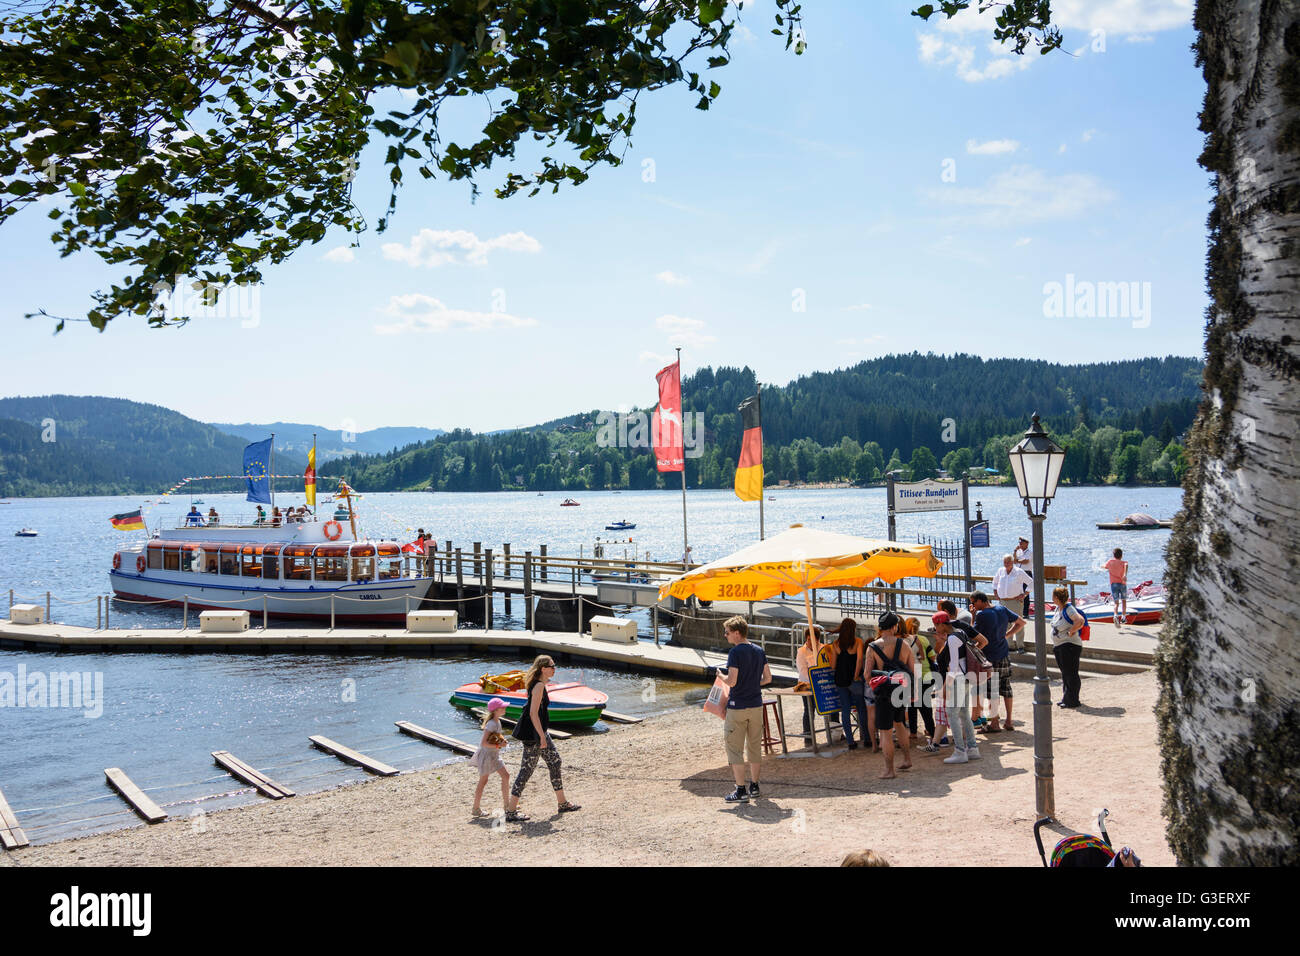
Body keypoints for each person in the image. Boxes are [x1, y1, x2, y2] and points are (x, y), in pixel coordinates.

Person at [505, 656, 580, 821]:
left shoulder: (540, 684)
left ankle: (562, 803)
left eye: (554, 666)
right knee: (526, 771)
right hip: (534, 734)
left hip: (539, 732)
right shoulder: (538, 686)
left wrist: (542, 734)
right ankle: (510, 811)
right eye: (552, 666)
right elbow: (533, 714)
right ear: (543, 668)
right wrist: (541, 736)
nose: (554, 669)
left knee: (555, 762)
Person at [716, 615, 772, 802]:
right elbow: (768, 678)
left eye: (727, 632)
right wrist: (754, 684)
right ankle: (754, 786)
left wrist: (721, 676)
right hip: (756, 704)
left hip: (738, 705)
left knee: (735, 749)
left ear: (737, 633)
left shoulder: (735, 653)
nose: (726, 636)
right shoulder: (758, 650)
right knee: (755, 747)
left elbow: (732, 681)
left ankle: (741, 790)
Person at [865, 611, 914, 779]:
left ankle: (889, 770)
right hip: (901, 690)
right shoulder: (905, 645)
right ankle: (907, 759)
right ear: (895, 627)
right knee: (900, 724)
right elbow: (913, 672)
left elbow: (866, 674)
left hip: (884, 693)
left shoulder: (872, 647)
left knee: (885, 732)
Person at [931, 611, 984, 764]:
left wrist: (946, 686)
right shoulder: (959, 633)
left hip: (957, 679)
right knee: (963, 713)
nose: (935, 629)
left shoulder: (953, 638)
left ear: (942, 624)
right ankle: (972, 748)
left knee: (952, 713)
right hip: (965, 678)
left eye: (936, 626)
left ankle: (960, 750)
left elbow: (953, 666)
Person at [969, 591, 1025, 732]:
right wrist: (1007, 635)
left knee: (992, 690)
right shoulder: (1001, 608)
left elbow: (972, 635)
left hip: (989, 657)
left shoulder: (982, 615)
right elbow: (1021, 622)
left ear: (981, 601)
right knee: (1006, 688)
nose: (973, 605)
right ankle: (1009, 721)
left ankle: (994, 723)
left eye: (974, 602)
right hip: (1003, 654)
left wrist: (973, 615)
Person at [826, 618, 869, 750]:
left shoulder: (835, 644)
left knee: (845, 710)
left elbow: (833, 666)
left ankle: (850, 742)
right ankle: (867, 739)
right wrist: (856, 675)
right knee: (862, 709)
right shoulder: (858, 642)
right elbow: (859, 660)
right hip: (854, 680)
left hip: (840, 680)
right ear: (853, 629)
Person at [470, 697, 512, 817]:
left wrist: (501, 742)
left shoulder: (497, 721)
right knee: (483, 781)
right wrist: (499, 745)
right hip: (487, 755)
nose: (505, 708)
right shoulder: (491, 723)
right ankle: (476, 808)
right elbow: (483, 743)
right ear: (496, 710)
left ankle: (507, 805)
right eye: (502, 707)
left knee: (506, 776)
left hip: (494, 754)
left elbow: (494, 738)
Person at [902, 617, 938, 752]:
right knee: (926, 706)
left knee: (911, 705)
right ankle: (931, 731)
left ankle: (912, 732)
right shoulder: (923, 639)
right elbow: (932, 657)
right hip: (926, 675)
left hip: (912, 676)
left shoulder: (904, 640)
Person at [1051, 586, 1087, 708]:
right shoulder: (1058, 609)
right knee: (1065, 673)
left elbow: (1080, 620)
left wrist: (1071, 631)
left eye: (1053, 596)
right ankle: (1066, 697)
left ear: (1056, 597)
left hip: (1070, 646)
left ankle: (1073, 700)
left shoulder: (1069, 609)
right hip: (1059, 645)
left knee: (1071, 673)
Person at [992, 554, 1033, 650]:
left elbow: (1031, 582)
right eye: (1005, 562)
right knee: (1005, 624)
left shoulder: (1019, 572)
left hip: (1015, 601)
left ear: (1013, 562)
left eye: (1008, 562)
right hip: (1003, 602)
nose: (1006, 564)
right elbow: (995, 582)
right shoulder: (1000, 571)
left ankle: (1020, 646)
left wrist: (1025, 594)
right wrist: (995, 593)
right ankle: (1009, 645)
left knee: (1018, 623)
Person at [796, 625, 819, 739]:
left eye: (812, 640)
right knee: (809, 708)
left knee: (830, 708)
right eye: (808, 639)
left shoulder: (823, 649)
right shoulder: (801, 651)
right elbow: (802, 670)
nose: (809, 642)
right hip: (806, 684)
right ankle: (808, 735)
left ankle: (836, 732)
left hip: (821, 684)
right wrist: (815, 679)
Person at [1104, 548, 1129, 624]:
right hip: (1122, 584)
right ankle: (1123, 617)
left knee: (1116, 602)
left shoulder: (1110, 562)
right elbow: (1126, 564)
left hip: (1114, 584)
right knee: (1124, 601)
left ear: (1113, 555)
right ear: (1121, 556)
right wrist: (1125, 574)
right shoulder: (1124, 562)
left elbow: (1105, 567)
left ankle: (1115, 615)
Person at [1013, 535, 1034, 617]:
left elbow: (1026, 561)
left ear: (1026, 544)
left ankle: (1025, 613)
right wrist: (1015, 551)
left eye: (1022, 543)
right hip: (1018, 573)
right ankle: (1018, 611)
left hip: (1026, 573)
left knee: (1026, 593)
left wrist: (1017, 560)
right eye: (1019, 543)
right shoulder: (1019, 552)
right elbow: (1014, 561)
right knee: (1017, 591)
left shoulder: (1029, 552)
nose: (1020, 544)